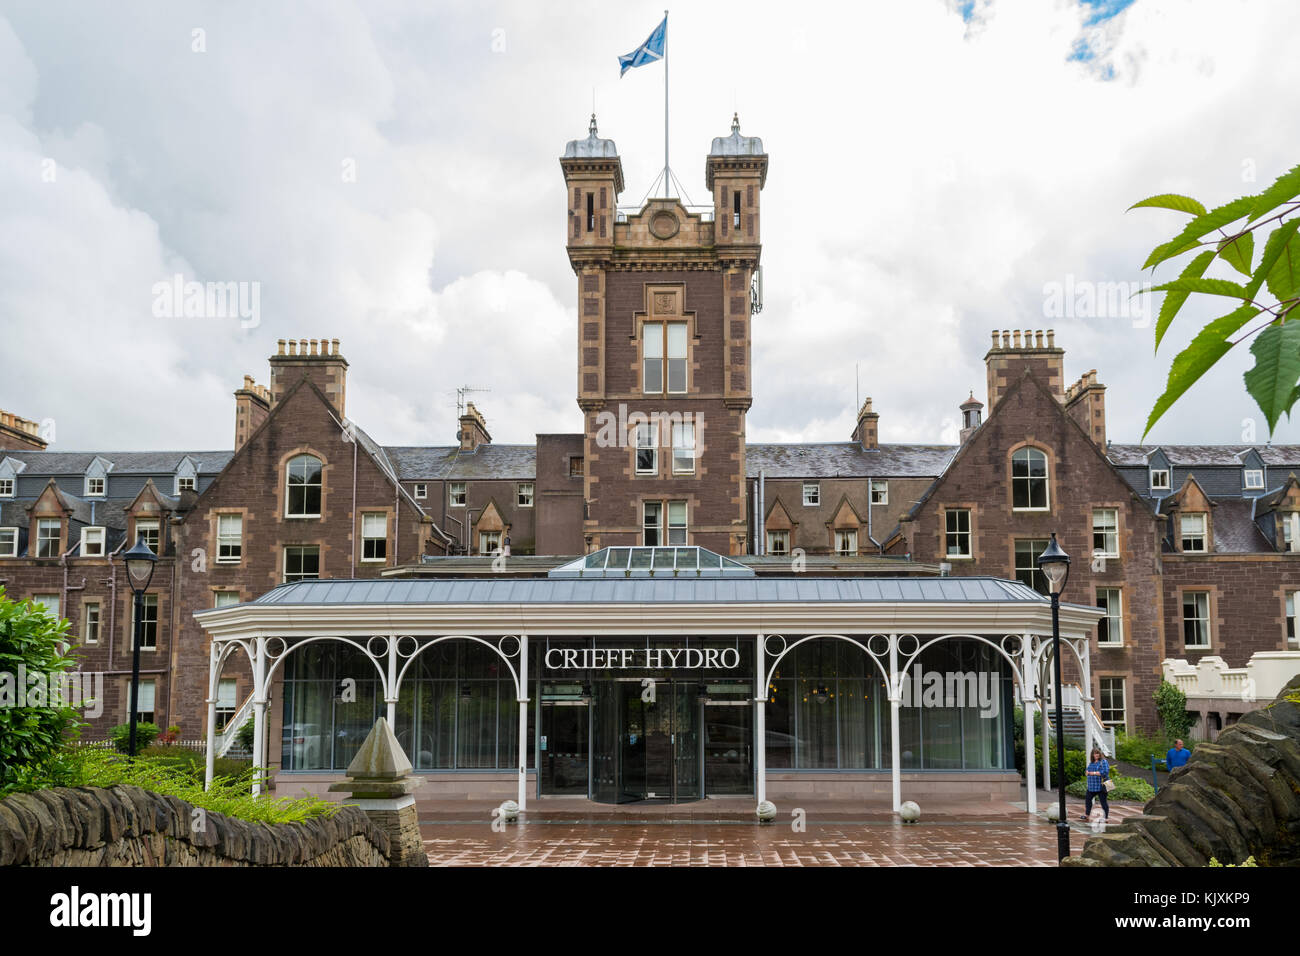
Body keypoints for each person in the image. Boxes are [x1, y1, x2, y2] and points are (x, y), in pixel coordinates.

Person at [1082, 747, 1110, 821]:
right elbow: (1087, 771)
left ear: (1100, 754)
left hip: (1101, 786)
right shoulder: (1091, 763)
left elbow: (1105, 772)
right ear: (1092, 755)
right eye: (1094, 753)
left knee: (1103, 802)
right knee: (1088, 800)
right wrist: (1087, 773)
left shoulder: (1103, 762)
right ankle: (1087, 815)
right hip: (1091, 786)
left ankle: (1106, 817)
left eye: (1097, 753)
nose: (1096, 755)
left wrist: (1093, 773)